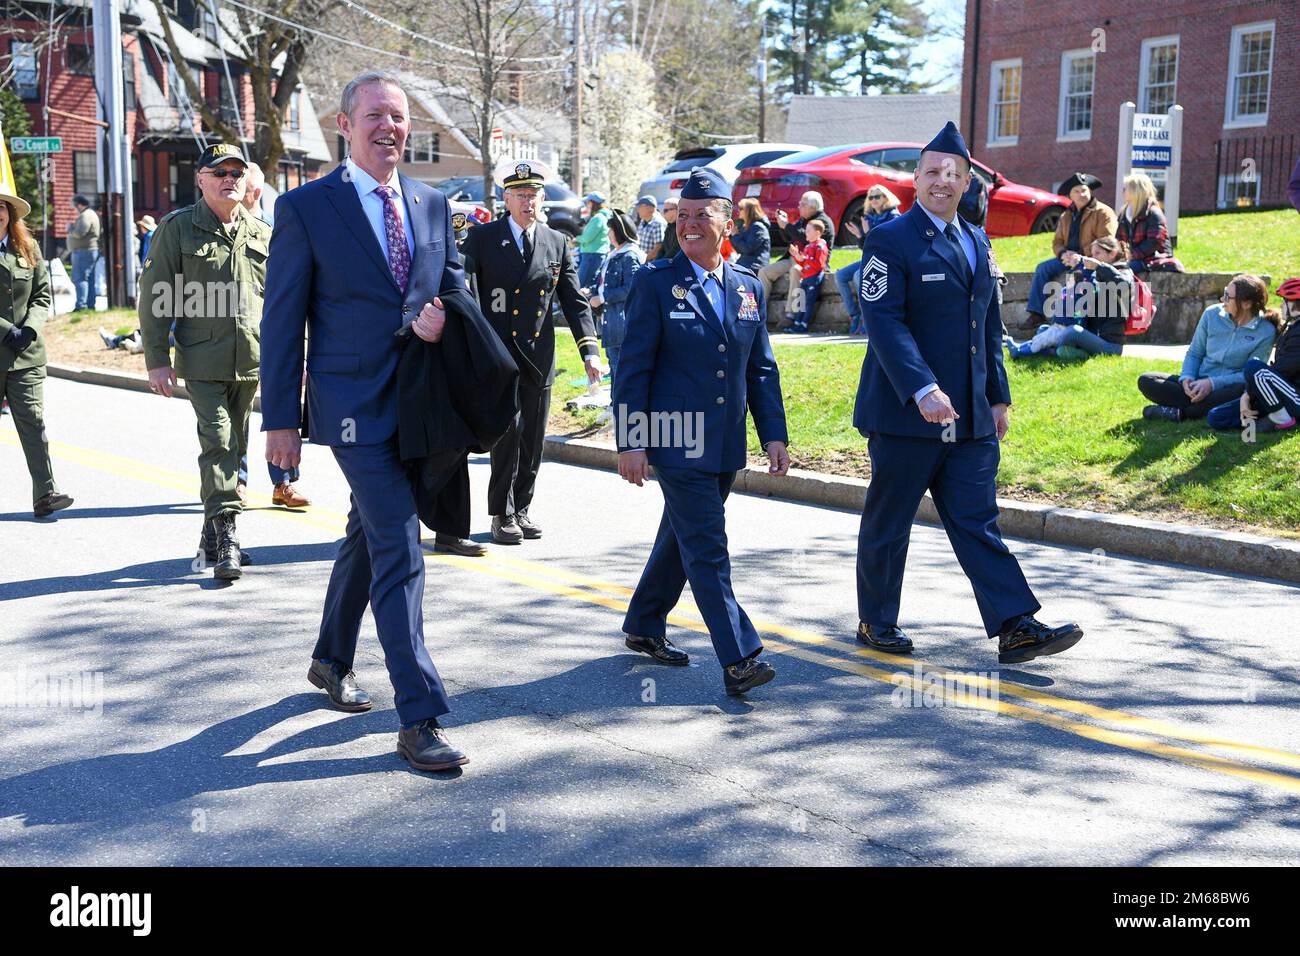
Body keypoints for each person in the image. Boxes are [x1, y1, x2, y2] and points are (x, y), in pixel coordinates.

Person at [260, 71, 470, 772]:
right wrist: (281, 419)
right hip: (350, 409)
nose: (391, 127)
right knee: (400, 545)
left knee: (369, 532)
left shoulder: (432, 204)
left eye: (400, 117)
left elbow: (453, 293)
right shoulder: (307, 208)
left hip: (418, 406)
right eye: (376, 115)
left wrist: (447, 319)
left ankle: (329, 658)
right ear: (345, 127)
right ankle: (420, 716)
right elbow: (284, 320)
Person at [853, 121, 1082, 665]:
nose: (942, 181)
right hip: (907, 413)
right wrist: (922, 388)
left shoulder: (977, 239)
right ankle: (876, 620)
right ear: (916, 178)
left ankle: (1016, 625)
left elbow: (986, 324)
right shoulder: (890, 237)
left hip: (971, 416)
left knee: (978, 519)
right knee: (890, 521)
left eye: (953, 174)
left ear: (967, 182)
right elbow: (883, 320)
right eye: (933, 171)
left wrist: (997, 395)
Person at [613, 165, 790, 696]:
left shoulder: (746, 287)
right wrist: (631, 439)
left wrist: (773, 434)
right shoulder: (656, 283)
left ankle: (645, 622)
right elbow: (633, 366)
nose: (690, 225)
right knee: (709, 547)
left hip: (724, 443)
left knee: (682, 538)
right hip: (674, 439)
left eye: (702, 215)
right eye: (682, 216)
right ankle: (739, 657)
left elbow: (760, 368)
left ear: (727, 221)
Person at [139, 143, 269, 581]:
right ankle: (229, 537)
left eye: (236, 172)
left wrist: (294, 358)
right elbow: (156, 296)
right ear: (200, 179)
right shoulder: (178, 228)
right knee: (218, 444)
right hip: (200, 359)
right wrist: (157, 359)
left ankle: (210, 536)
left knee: (237, 448)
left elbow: (279, 302)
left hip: (249, 360)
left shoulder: (261, 232)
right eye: (219, 172)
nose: (229, 179)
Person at [460, 158, 602, 545]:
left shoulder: (556, 241)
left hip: (539, 355)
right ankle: (501, 514)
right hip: (499, 354)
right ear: (506, 198)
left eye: (534, 195)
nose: (528, 202)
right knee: (508, 431)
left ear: (543, 198)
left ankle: (522, 506)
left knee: (533, 437)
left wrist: (589, 351)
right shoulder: (483, 239)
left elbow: (574, 301)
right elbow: (469, 293)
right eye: (520, 195)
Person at [234, 160, 311, 510]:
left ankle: (283, 482)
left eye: (244, 187)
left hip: (276, 336)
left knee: (280, 409)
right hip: (237, 335)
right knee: (236, 415)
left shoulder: (278, 226)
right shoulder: (226, 226)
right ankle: (237, 480)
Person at [1, 180, 73, 518]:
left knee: (34, 423)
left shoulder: (28, 249)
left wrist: (29, 328)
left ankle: (45, 493)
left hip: (25, 354)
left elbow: (42, 295)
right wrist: (7, 330)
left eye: (2, 208)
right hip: (6, 342)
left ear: (10, 215)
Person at [1138, 274, 1279, 422]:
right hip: (1198, 384)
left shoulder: (1266, 332)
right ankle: (1192, 409)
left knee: (1241, 392)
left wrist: (1212, 384)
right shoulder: (1211, 314)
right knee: (1147, 380)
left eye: (1227, 296)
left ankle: (1182, 413)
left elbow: (1248, 374)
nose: (1222, 299)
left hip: (1227, 389)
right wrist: (1187, 379)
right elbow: (1194, 353)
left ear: (1246, 304)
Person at [1006, 236, 1133, 360]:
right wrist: (1077, 267)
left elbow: (1124, 285)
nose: (1094, 258)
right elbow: (1075, 295)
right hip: (1091, 335)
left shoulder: (1124, 272)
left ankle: (1053, 351)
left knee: (1071, 332)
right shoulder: (1098, 273)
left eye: (1098, 253)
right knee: (1044, 329)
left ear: (1112, 254)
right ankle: (1058, 352)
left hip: (1110, 345)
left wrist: (1099, 267)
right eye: (1092, 254)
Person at [1024, 173, 1117, 325]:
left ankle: (1073, 322)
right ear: (1070, 195)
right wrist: (1063, 253)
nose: (1082, 194)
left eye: (1084, 190)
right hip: (1068, 258)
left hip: (1089, 259)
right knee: (1042, 269)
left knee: (1076, 278)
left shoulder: (1103, 213)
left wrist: (1081, 255)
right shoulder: (1066, 215)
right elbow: (1057, 241)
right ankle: (1036, 314)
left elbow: (1106, 241)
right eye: (1077, 191)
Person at [1208, 278, 1300, 432]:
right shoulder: (1292, 328)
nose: (1282, 306)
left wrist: (1248, 395)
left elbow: (1283, 370)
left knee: (1254, 367)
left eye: (1285, 302)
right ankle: (1276, 415)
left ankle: (1283, 420)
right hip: (1280, 393)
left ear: (1295, 305)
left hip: (1295, 397)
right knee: (1217, 416)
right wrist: (1248, 395)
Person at [758, 190, 834, 320]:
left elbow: (804, 236)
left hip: (810, 263)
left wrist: (787, 225)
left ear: (813, 207)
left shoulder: (822, 222)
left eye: (802, 204)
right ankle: (760, 313)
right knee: (764, 272)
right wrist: (783, 226)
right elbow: (790, 239)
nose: (799, 206)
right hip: (793, 258)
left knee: (795, 271)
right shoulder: (803, 219)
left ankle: (791, 314)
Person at [836, 186, 901, 336]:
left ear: (886, 197)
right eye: (870, 197)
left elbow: (887, 245)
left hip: (887, 262)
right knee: (841, 276)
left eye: (877, 197)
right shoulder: (871, 217)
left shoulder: (893, 217)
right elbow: (867, 248)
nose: (873, 200)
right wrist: (860, 236)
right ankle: (855, 315)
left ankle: (867, 318)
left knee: (859, 276)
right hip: (871, 259)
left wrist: (866, 233)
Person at [588, 209, 643, 384]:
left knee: (621, 367)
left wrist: (602, 298)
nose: (609, 234)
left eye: (611, 230)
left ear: (620, 233)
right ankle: (615, 405)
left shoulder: (630, 256)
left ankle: (621, 406)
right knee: (614, 365)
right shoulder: (614, 254)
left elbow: (630, 288)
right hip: (611, 320)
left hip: (622, 320)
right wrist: (590, 291)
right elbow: (604, 282)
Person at [1116, 172, 1182, 274]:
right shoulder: (1124, 213)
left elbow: (1154, 242)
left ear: (1136, 191)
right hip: (1134, 259)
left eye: (1125, 189)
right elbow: (1119, 239)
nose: (1122, 192)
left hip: (1155, 259)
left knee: (1124, 272)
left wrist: (1133, 255)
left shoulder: (1153, 213)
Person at [785, 217, 829, 333]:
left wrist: (805, 259)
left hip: (814, 277)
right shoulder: (808, 246)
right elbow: (804, 263)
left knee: (808, 302)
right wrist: (797, 257)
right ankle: (796, 323)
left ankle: (804, 325)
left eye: (809, 230)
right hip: (805, 277)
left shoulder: (820, 246)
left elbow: (819, 264)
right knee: (801, 302)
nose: (806, 233)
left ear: (818, 233)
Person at [67, 194, 100, 311]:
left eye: (75, 206)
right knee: (89, 279)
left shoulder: (85, 215)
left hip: (83, 251)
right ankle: (90, 305)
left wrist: (70, 229)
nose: (75, 209)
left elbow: (80, 232)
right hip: (89, 250)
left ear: (80, 205)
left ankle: (81, 306)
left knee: (80, 278)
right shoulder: (91, 214)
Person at [576, 192, 610, 291]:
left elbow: (587, 238)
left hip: (592, 255)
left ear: (592, 203)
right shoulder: (603, 216)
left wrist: (576, 239)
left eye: (588, 202)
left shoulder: (598, 218)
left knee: (582, 284)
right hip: (596, 254)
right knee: (591, 284)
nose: (586, 205)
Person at [730, 198, 770, 273]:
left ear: (748, 211)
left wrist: (735, 235)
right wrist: (732, 235)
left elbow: (747, 249)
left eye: (741, 209)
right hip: (746, 261)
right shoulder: (746, 226)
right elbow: (739, 249)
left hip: (756, 263)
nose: (739, 211)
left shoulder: (758, 227)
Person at [635, 195, 666, 260]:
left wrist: (643, 260)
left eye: (640, 207)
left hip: (651, 265)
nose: (638, 210)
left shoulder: (658, 223)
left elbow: (658, 248)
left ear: (650, 208)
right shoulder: (643, 221)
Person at [657, 196, 680, 260]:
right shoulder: (669, 227)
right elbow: (662, 249)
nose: (663, 213)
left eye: (666, 210)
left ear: (676, 210)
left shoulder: (682, 228)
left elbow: (675, 251)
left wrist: (661, 263)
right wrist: (656, 263)